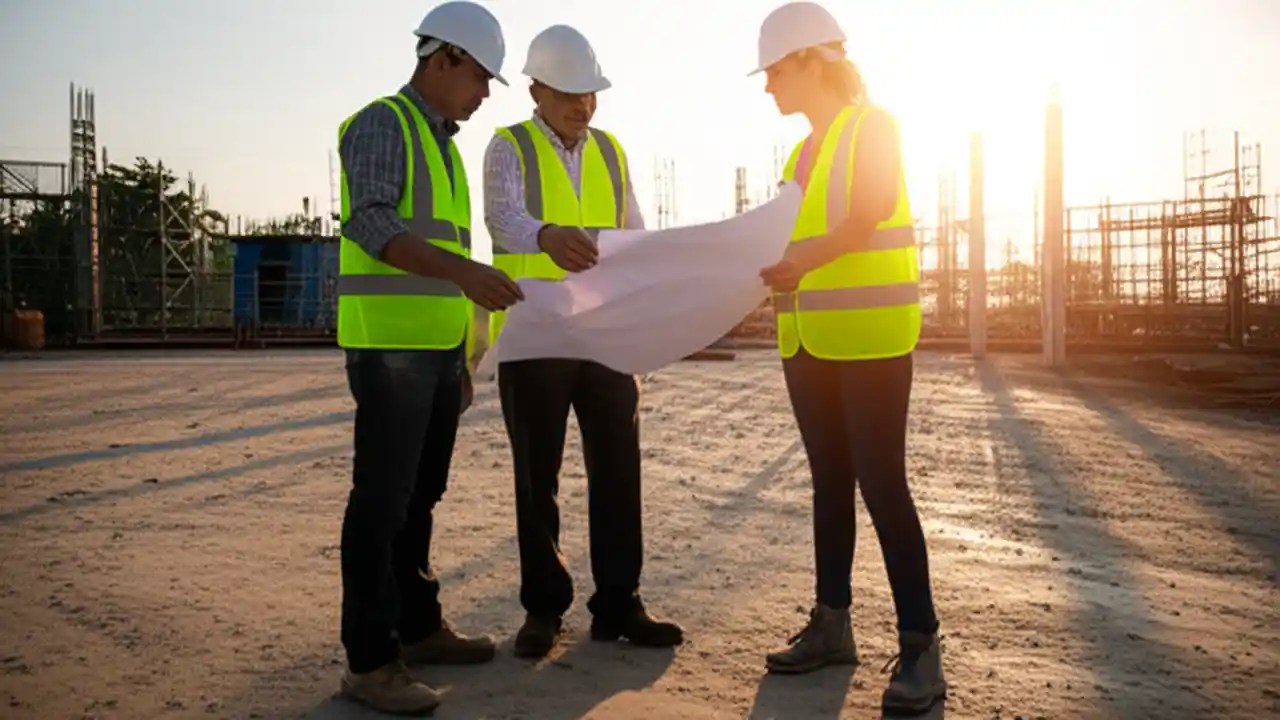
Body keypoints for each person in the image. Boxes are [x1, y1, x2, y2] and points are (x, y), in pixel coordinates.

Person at [750, 2, 947, 714]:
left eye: (775, 70)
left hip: (869, 338)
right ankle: (832, 624)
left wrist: (801, 256)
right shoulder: (803, 151)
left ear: (811, 62)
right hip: (806, 340)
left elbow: (867, 213)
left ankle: (922, 646)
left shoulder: (874, 127)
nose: (768, 85)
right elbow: (780, 234)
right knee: (829, 481)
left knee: (881, 484)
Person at [333, 2, 524, 714]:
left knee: (419, 498)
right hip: (390, 349)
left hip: (434, 352)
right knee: (381, 502)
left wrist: (463, 357)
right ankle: (371, 659)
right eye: (480, 78)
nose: (482, 95)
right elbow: (374, 223)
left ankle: (416, 627)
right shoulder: (385, 123)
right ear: (441, 59)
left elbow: (443, 251)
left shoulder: (442, 142)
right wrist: (465, 275)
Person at [482, 24, 683, 659]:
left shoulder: (611, 152)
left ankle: (619, 602)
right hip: (535, 334)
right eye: (570, 92)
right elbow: (501, 216)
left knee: (619, 471)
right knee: (535, 477)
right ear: (536, 89)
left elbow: (632, 232)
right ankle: (543, 608)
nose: (583, 104)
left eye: (590, 93)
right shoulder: (507, 146)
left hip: (604, 337)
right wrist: (544, 235)